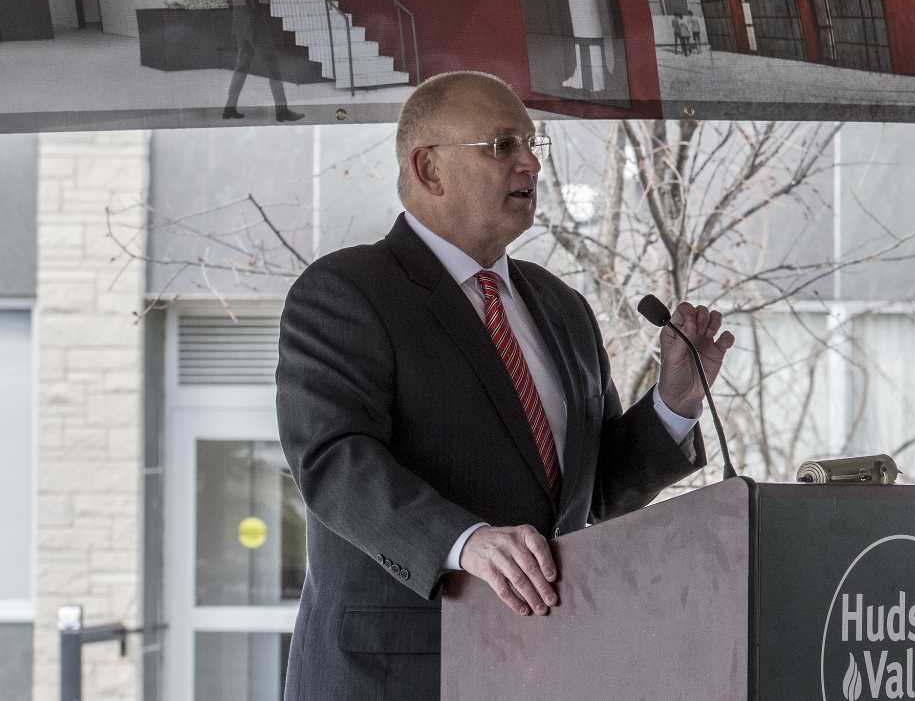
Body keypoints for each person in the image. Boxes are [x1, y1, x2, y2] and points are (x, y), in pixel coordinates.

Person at [276, 70, 734, 701]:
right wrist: (464, 543)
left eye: (532, 144)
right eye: (502, 146)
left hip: (541, 665)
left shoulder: (562, 308)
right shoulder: (348, 292)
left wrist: (675, 402)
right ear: (429, 168)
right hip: (396, 671)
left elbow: (594, 496)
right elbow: (333, 463)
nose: (530, 164)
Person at [221, 0, 302, 122]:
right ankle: (282, 111)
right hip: (255, 27)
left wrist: (239, 15)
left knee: (241, 65)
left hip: (239, 24)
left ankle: (229, 108)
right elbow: (256, 3)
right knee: (273, 67)